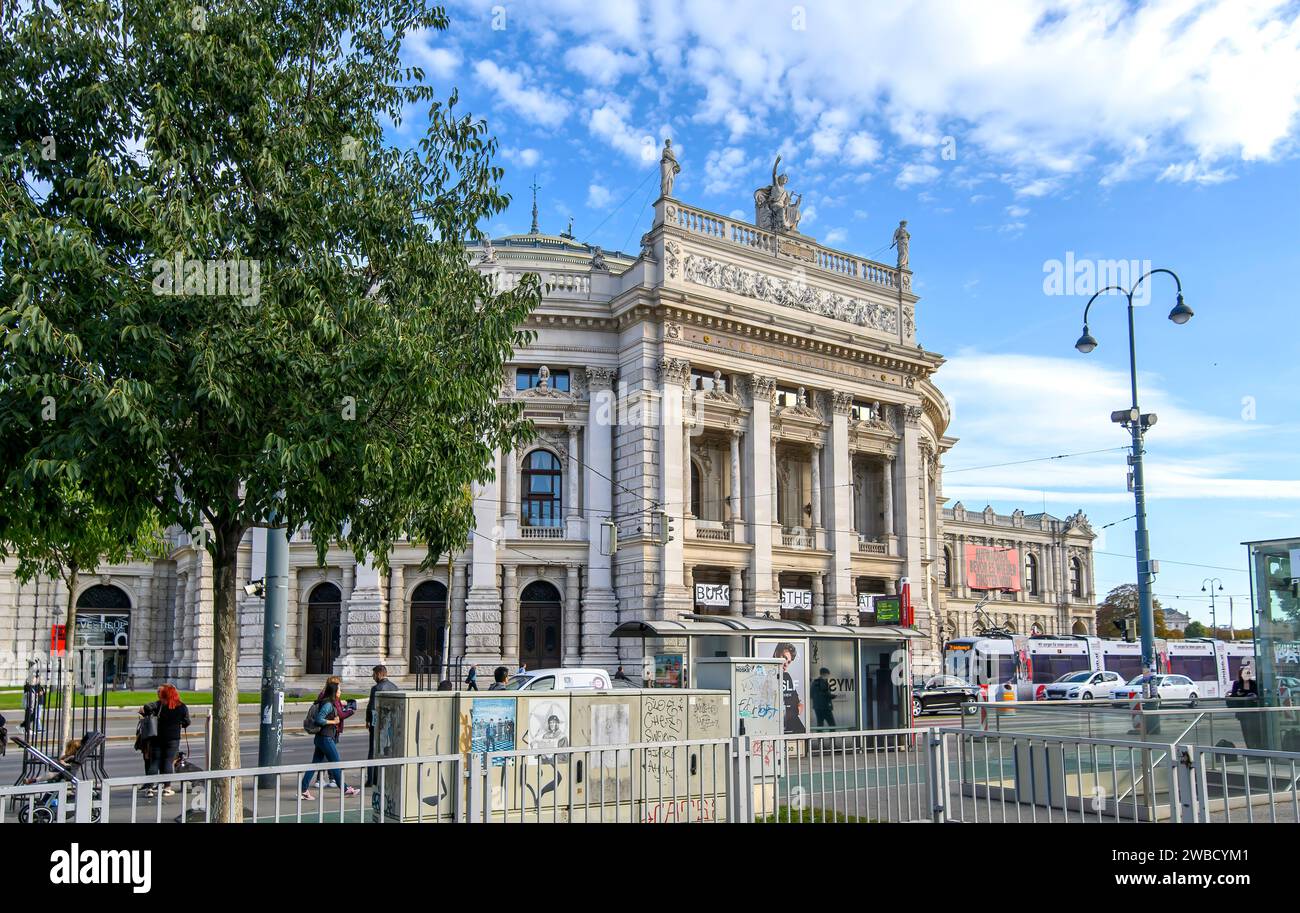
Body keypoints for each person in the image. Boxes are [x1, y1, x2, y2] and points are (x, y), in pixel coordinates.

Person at [301, 680, 358, 799]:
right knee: (336, 763)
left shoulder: (331, 702)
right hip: (326, 738)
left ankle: (303, 791)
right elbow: (319, 719)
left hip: (322, 738)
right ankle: (345, 789)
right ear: (334, 692)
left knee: (314, 765)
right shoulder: (328, 704)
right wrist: (333, 721)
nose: (341, 691)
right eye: (339, 690)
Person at [142, 684, 190, 797]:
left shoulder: (159, 705)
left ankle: (150, 788)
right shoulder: (181, 706)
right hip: (173, 738)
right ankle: (167, 788)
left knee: (155, 762)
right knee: (168, 761)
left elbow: (146, 707)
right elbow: (186, 722)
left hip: (157, 737)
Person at [365, 665, 398, 787]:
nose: (372, 677)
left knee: (373, 750)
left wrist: (369, 721)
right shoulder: (394, 687)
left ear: (379, 674)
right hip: (391, 724)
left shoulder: (376, 688)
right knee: (387, 750)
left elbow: (372, 707)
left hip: (378, 724)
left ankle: (372, 778)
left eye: (373, 674)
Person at [773, 643, 806, 735]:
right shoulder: (765, 674)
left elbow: (797, 700)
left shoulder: (786, 676)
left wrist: (799, 705)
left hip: (791, 723)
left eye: (789, 662)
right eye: (784, 658)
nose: (785, 664)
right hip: (775, 724)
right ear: (776, 653)